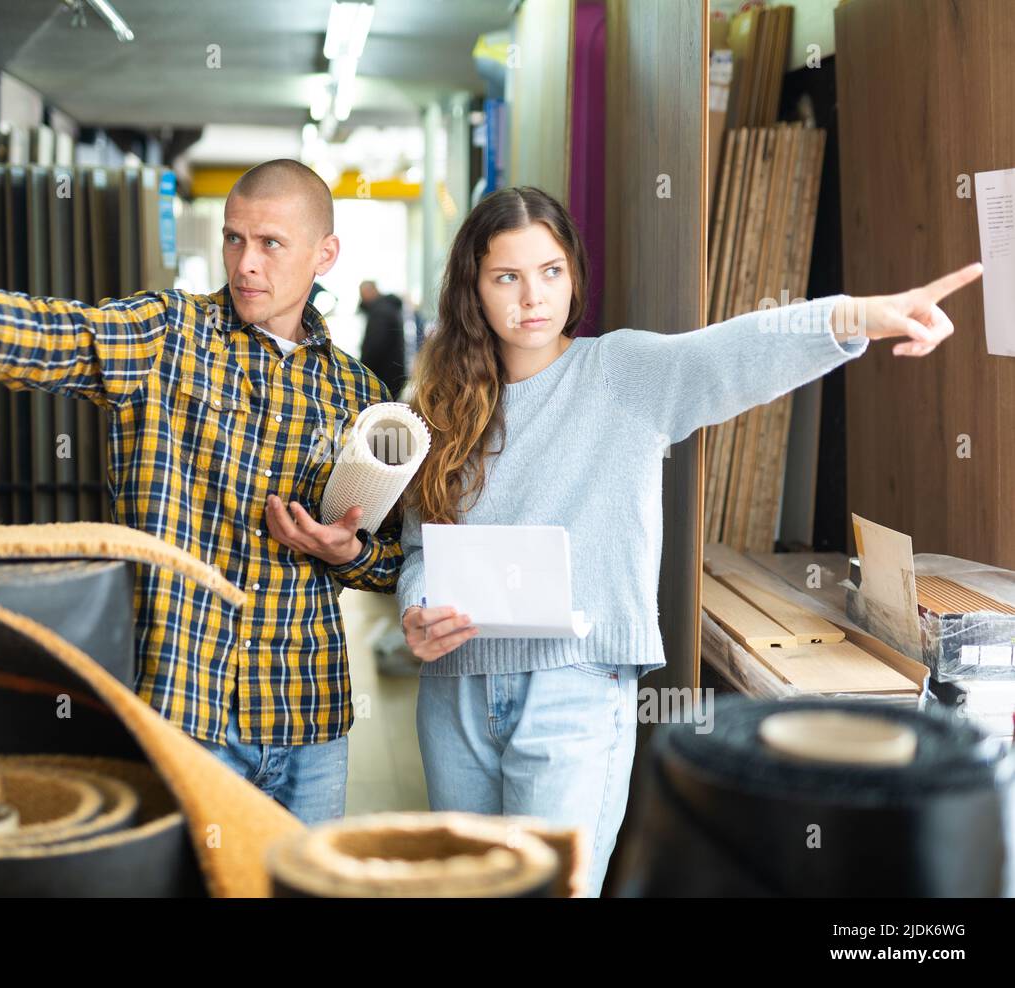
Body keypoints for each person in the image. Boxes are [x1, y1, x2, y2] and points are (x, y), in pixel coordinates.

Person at [395, 185, 980, 895]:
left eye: (551, 270)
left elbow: (733, 354)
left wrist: (860, 315)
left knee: (553, 891)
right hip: (454, 689)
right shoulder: (439, 408)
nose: (532, 297)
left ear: (574, 274)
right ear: (474, 289)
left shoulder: (622, 373)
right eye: (506, 277)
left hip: (573, 686)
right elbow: (423, 551)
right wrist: (416, 609)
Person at [0, 159, 403, 824]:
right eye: (234, 239)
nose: (246, 263)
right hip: (183, 711)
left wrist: (344, 553)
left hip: (307, 713)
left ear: (326, 253)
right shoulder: (169, 334)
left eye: (270, 243)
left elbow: (392, 561)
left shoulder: (358, 396)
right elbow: (54, 333)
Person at [358, 280, 408, 398]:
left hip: (383, 377)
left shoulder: (380, 312)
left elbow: (374, 347)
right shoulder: (389, 308)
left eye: (363, 294)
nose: (362, 298)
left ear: (371, 291)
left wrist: (362, 369)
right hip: (394, 374)